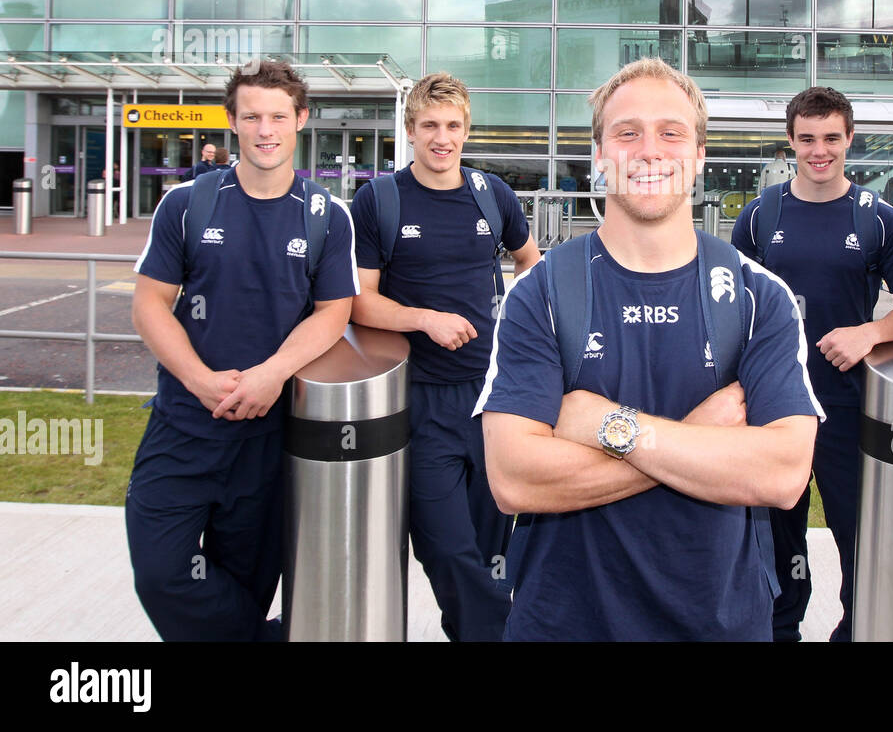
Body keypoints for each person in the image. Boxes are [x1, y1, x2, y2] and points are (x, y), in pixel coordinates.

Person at [477, 58, 821, 641]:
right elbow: (515, 479)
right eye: (627, 132)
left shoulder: (760, 296)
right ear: (599, 156)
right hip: (563, 623)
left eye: (671, 132)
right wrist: (703, 437)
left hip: (721, 623)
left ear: (699, 156)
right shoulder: (541, 294)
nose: (649, 151)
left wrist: (611, 426)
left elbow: (784, 473)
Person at [126, 59, 358, 641]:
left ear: (300, 120)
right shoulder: (186, 204)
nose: (265, 130)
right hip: (184, 427)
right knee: (161, 574)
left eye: (278, 116)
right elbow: (150, 305)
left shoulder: (329, 217)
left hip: (269, 436)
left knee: (245, 585)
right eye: (251, 116)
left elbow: (335, 313)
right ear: (232, 121)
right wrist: (201, 380)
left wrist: (272, 374)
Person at [350, 72, 540, 642]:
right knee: (446, 548)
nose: (442, 137)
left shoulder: (491, 194)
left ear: (466, 130)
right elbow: (359, 301)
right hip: (418, 403)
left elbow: (531, 262)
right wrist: (423, 320)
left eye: (453, 126)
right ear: (410, 130)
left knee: (488, 554)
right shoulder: (380, 199)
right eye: (430, 125)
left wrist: (516, 324)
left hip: (491, 402)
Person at [731, 86, 893, 642]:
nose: (820, 150)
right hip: (772, 404)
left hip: (846, 404)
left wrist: (871, 332)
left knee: (859, 535)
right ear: (790, 142)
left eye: (831, 138)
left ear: (849, 140)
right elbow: (730, 308)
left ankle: (856, 630)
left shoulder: (881, 219)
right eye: (807, 138)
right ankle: (778, 632)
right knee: (775, 537)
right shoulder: (760, 215)